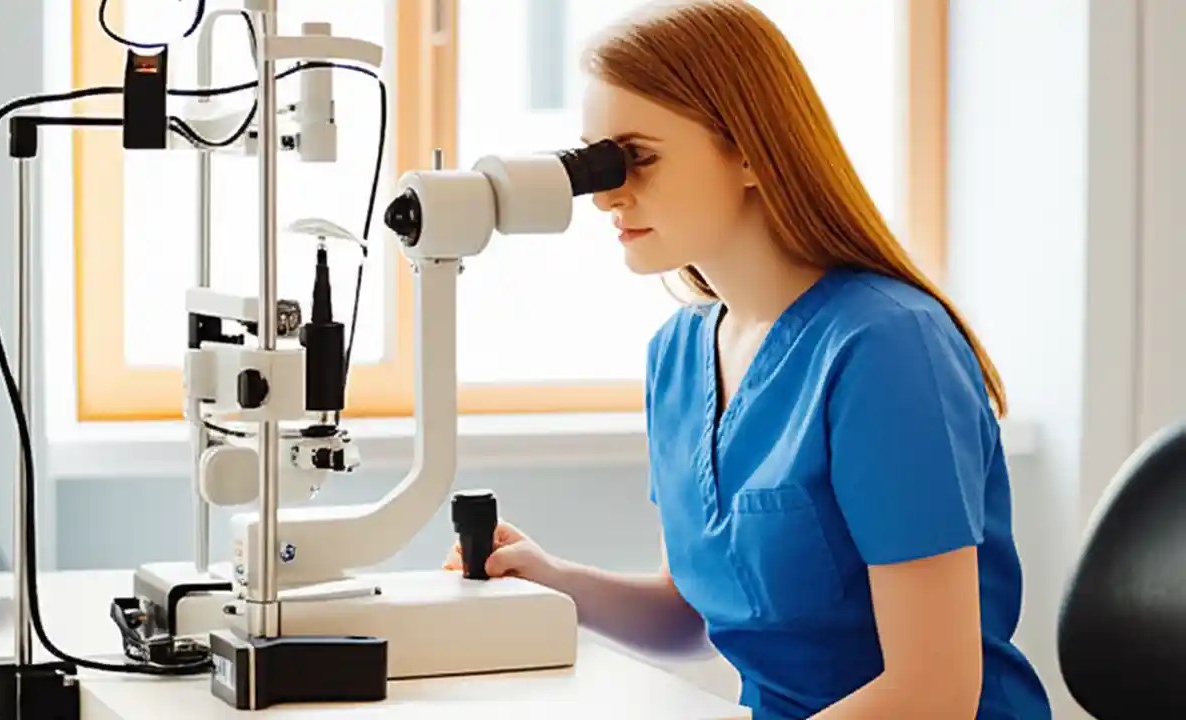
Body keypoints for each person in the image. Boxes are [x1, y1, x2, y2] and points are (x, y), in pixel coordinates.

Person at [442, 1, 1052, 717]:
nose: (607, 194)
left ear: (752, 152)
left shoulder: (885, 349)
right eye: (593, 160)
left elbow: (934, 690)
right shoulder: (677, 356)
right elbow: (693, 615)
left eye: (636, 157)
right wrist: (556, 580)